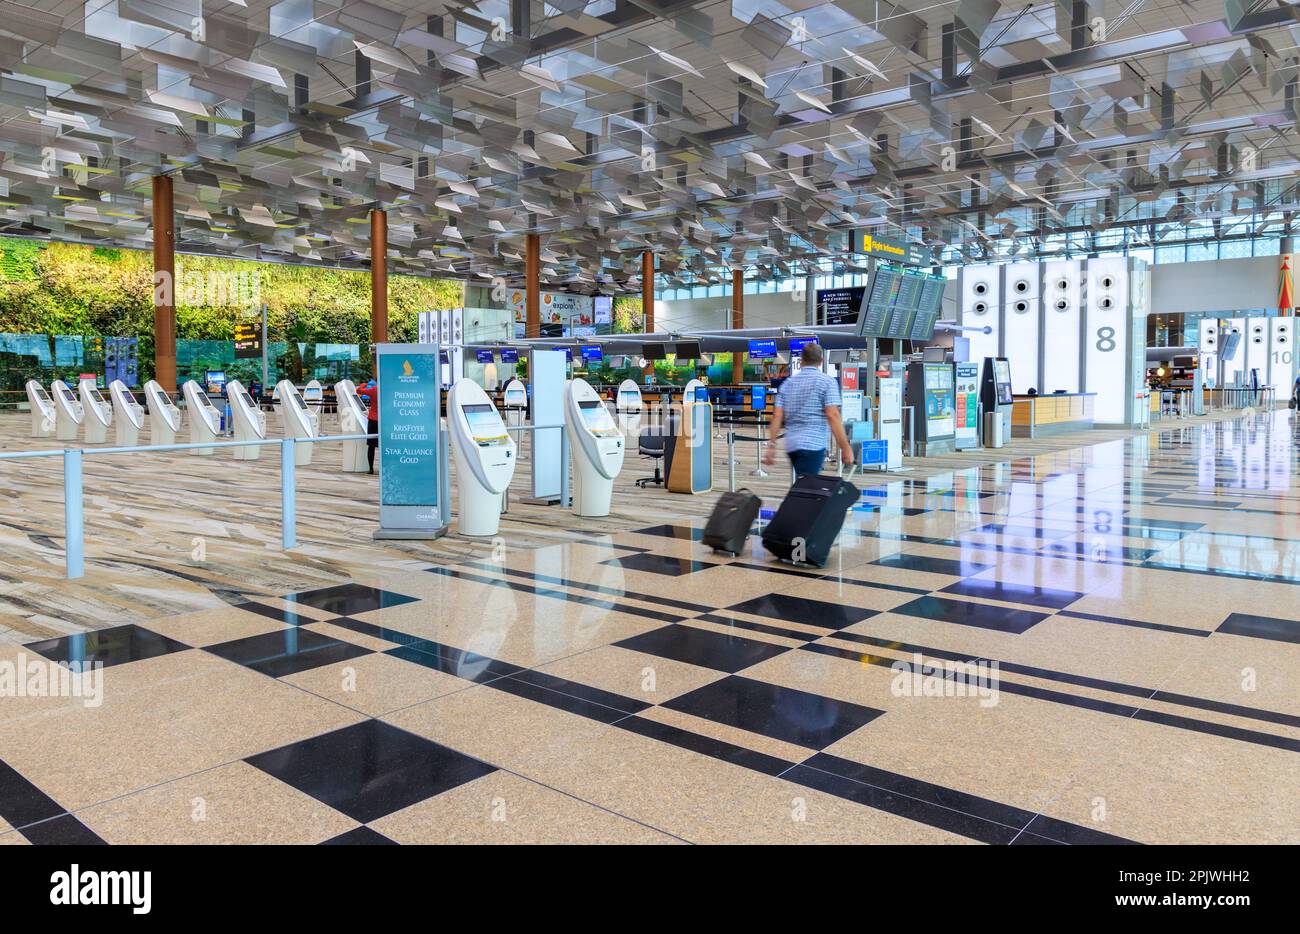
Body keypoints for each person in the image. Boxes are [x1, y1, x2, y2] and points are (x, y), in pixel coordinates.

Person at [763, 342, 854, 478]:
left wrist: (772, 445)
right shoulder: (827, 382)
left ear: (801, 361)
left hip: (792, 445)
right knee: (808, 490)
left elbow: (777, 416)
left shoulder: (788, 383)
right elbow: (833, 415)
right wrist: (846, 447)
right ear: (821, 361)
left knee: (804, 485)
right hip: (813, 444)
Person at [356, 378, 379, 473]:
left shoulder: (374, 389)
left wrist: (363, 384)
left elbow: (359, 391)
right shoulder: (389, 390)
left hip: (373, 419)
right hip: (384, 421)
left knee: (371, 446)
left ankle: (371, 468)